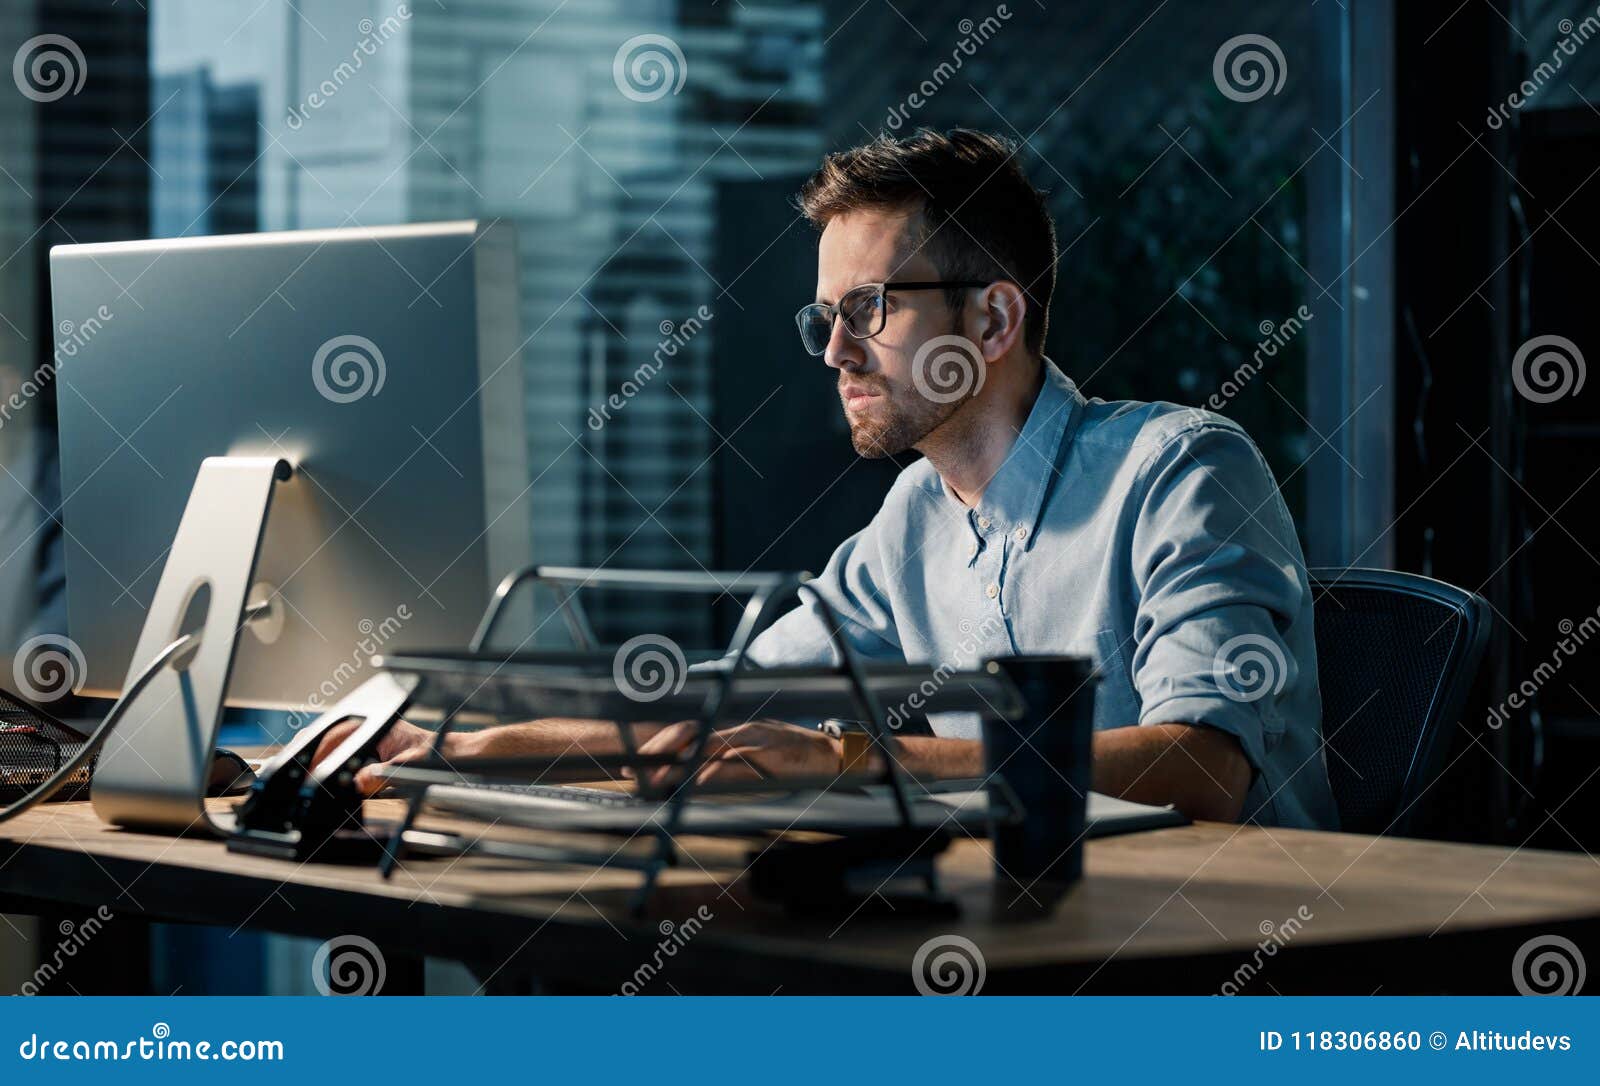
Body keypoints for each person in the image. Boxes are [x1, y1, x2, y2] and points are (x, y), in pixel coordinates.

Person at [317, 128, 1337, 828]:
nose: (833, 354)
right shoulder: (915, 521)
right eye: (824, 318)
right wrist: (459, 742)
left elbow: (1201, 770)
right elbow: (722, 711)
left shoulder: (1179, 471)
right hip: (1032, 951)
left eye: (868, 311)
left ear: (991, 319)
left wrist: (851, 760)